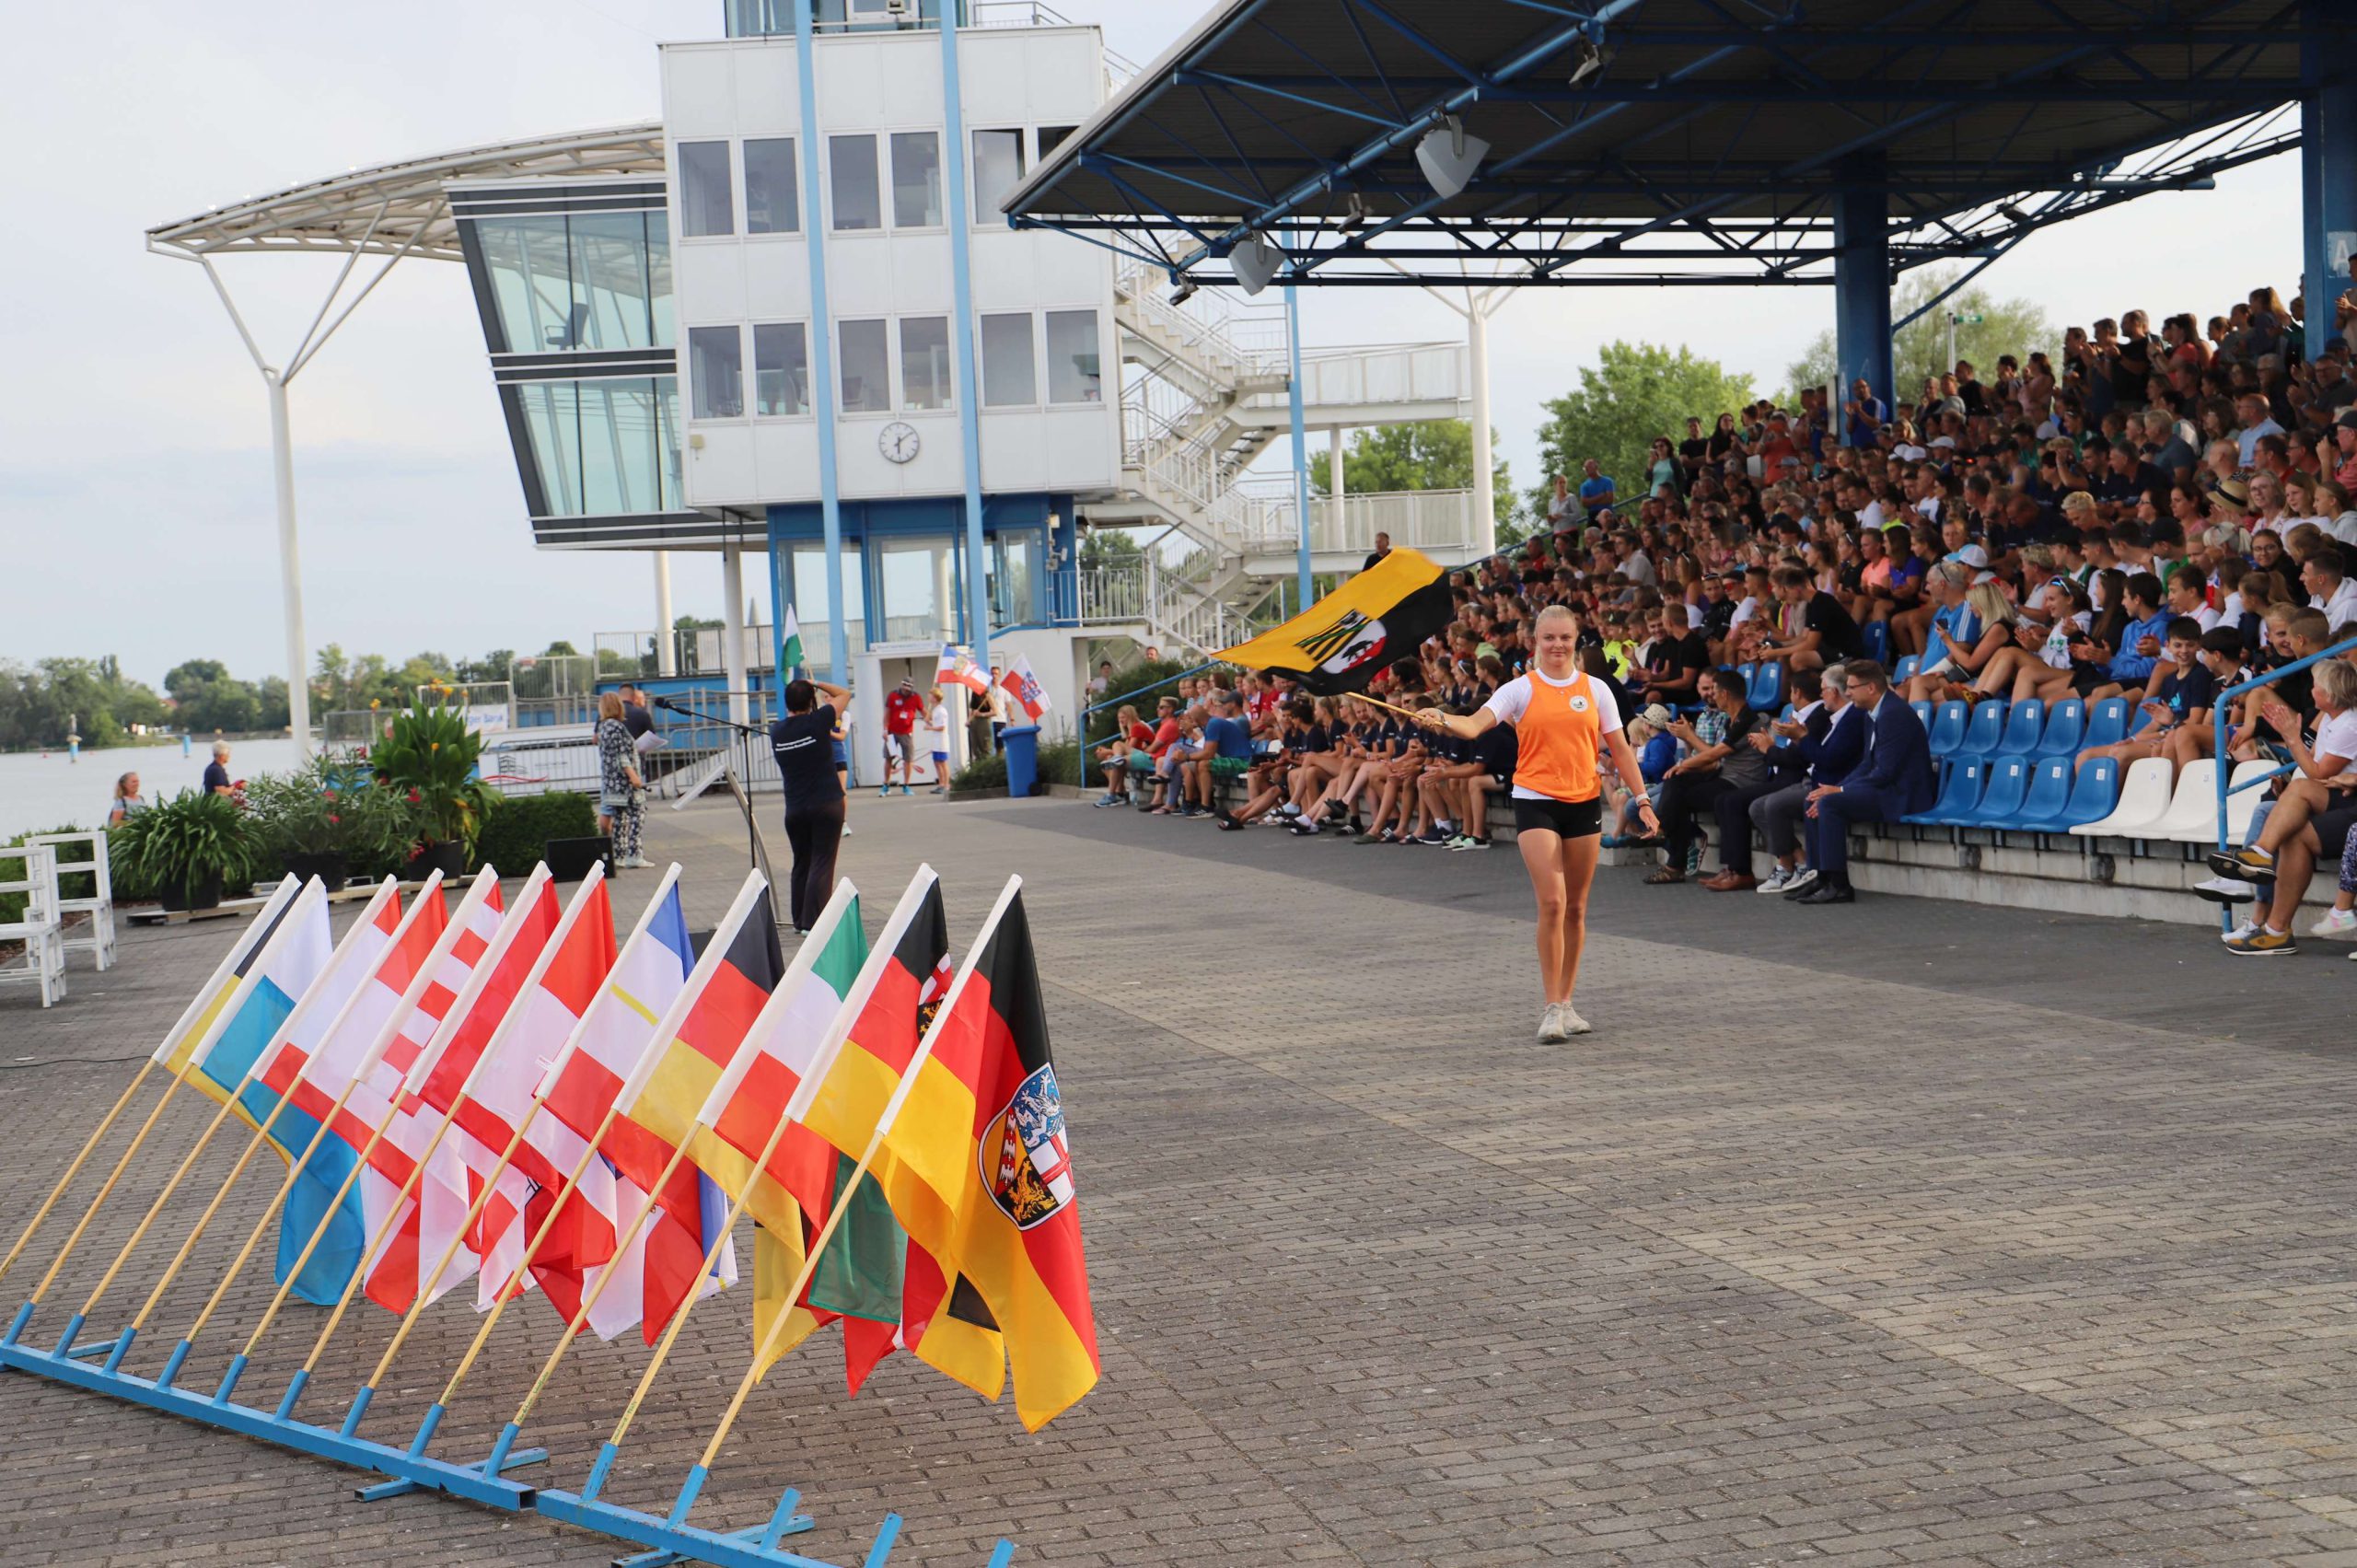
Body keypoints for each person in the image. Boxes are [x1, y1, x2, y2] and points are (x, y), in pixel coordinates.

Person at [1416, 605, 1657, 1042]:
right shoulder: (1519, 689)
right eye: (1549, 638)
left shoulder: (1596, 689)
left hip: (1583, 801)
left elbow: (1621, 748)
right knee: (1552, 901)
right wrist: (1442, 718)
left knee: (1577, 908)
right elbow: (1474, 725)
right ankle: (1550, 1008)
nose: (1557, 645)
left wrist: (1642, 799)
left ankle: (1567, 1002)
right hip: (1535, 800)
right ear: (1536, 642)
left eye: (1565, 637)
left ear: (1575, 640)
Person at [1788, 660, 1936, 904]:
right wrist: (1834, 788)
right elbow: (1868, 763)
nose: (1847, 693)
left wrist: (1840, 790)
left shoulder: (1894, 714)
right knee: (1813, 798)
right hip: (1884, 787)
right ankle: (1821, 875)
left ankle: (1839, 886)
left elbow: (1885, 772)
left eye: (1852, 687)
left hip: (1902, 793)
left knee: (1829, 804)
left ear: (1871, 688)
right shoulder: (1873, 712)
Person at [769, 676, 853, 933]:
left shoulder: (776, 731)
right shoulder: (819, 720)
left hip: (795, 809)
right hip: (826, 803)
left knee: (801, 863)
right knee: (822, 862)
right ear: (811, 702)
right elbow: (844, 694)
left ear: (787, 703)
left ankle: (799, 920)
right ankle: (813, 923)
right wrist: (816, 684)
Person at [595, 692, 648, 870]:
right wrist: (634, 776)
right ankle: (635, 855)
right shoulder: (617, 727)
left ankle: (619, 855)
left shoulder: (604, 727)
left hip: (611, 782)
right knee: (638, 814)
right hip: (625, 782)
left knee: (620, 818)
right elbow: (622, 756)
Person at [881, 678, 924, 796]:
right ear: (901, 685)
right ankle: (886, 785)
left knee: (908, 759)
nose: (906, 689)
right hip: (891, 732)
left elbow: (923, 711)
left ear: (911, 688)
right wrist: (885, 730)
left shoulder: (916, 697)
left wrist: (929, 719)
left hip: (907, 733)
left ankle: (906, 785)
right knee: (888, 758)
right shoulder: (893, 695)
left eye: (908, 687)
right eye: (904, 686)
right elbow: (887, 714)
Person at [924, 685, 951, 792]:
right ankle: (941, 783)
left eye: (930, 695)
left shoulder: (941, 711)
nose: (928, 696)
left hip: (941, 741)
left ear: (935, 698)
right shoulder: (935, 710)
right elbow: (936, 724)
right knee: (936, 762)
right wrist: (928, 722)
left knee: (942, 762)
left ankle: (946, 784)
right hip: (936, 740)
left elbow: (942, 727)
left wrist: (929, 728)